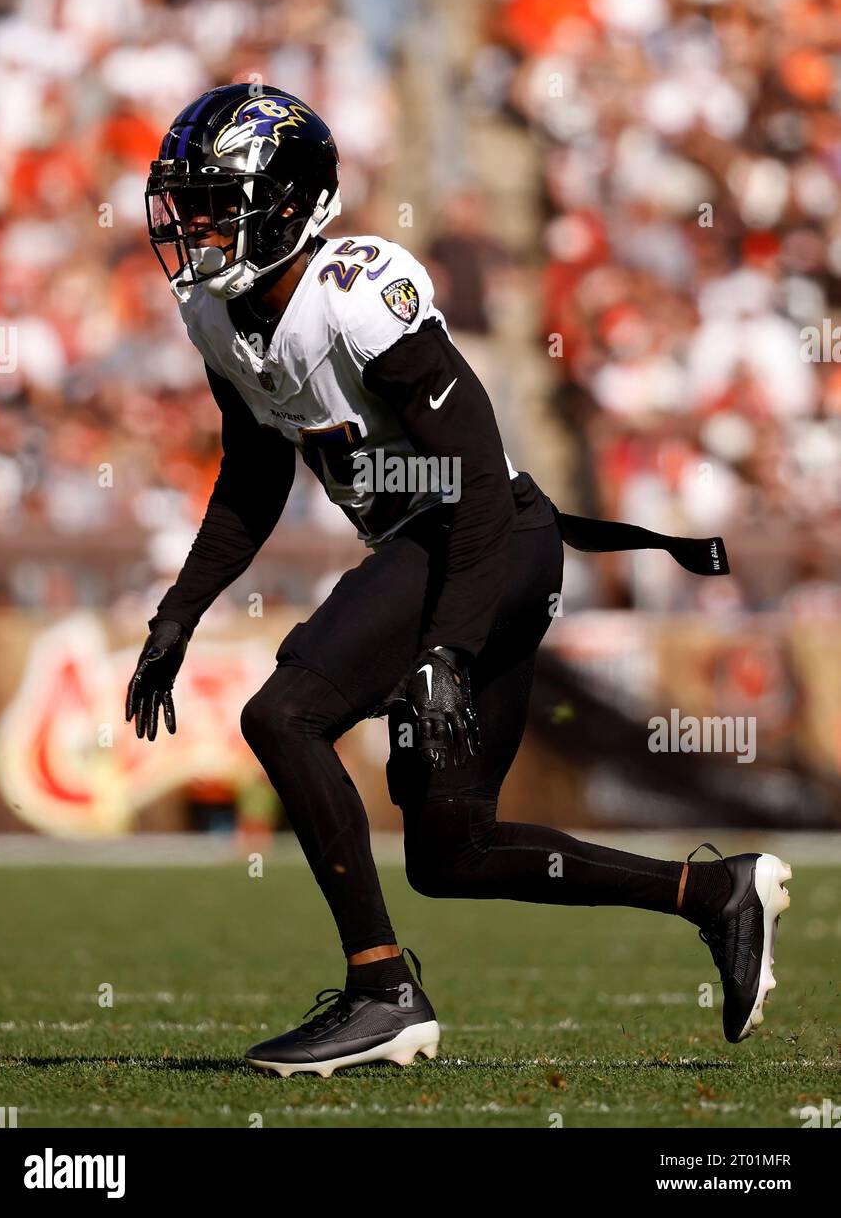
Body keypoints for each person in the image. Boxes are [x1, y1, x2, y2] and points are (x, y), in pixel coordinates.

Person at [126, 84, 791, 1078]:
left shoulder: (355, 292)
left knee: (285, 712)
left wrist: (445, 649)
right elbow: (255, 476)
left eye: (221, 200)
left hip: (489, 538)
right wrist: (178, 613)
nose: (201, 224)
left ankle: (382, 991)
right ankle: (718, 896)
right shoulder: (220, 320)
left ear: (290, 202)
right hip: (442, 546)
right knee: (451, 849)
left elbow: (476, 481)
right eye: (193, 202)